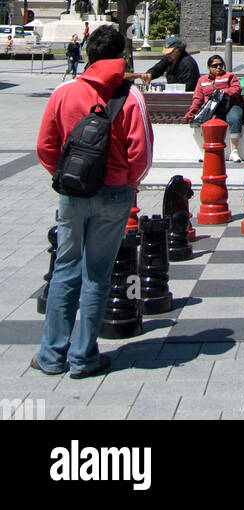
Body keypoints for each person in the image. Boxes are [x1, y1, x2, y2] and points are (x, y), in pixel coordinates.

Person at [32, 24, 153, 377]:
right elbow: (141, 152)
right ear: (121, 56)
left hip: (74, 192)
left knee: (65, 270)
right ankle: (83, 356)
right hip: (114, 192)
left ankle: (52, 355)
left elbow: (45, 145)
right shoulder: (130, 96)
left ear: (88, 53)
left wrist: (64, 175)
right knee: (97, 273)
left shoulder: (65, 92)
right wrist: (128, 181)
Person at [184, 54, 244, 162]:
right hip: (212, 107)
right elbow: (198, 98)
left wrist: (222, 92)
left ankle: (234, 152)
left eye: (221, 65)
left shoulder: (230, 76)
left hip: (230, 105)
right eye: (215, 65)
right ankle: (207, 151)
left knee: (235, 118)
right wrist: (191, 112)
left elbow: (237, 89)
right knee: (205, 120)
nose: (219, 68)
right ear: (209, 68)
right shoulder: (202, 80)